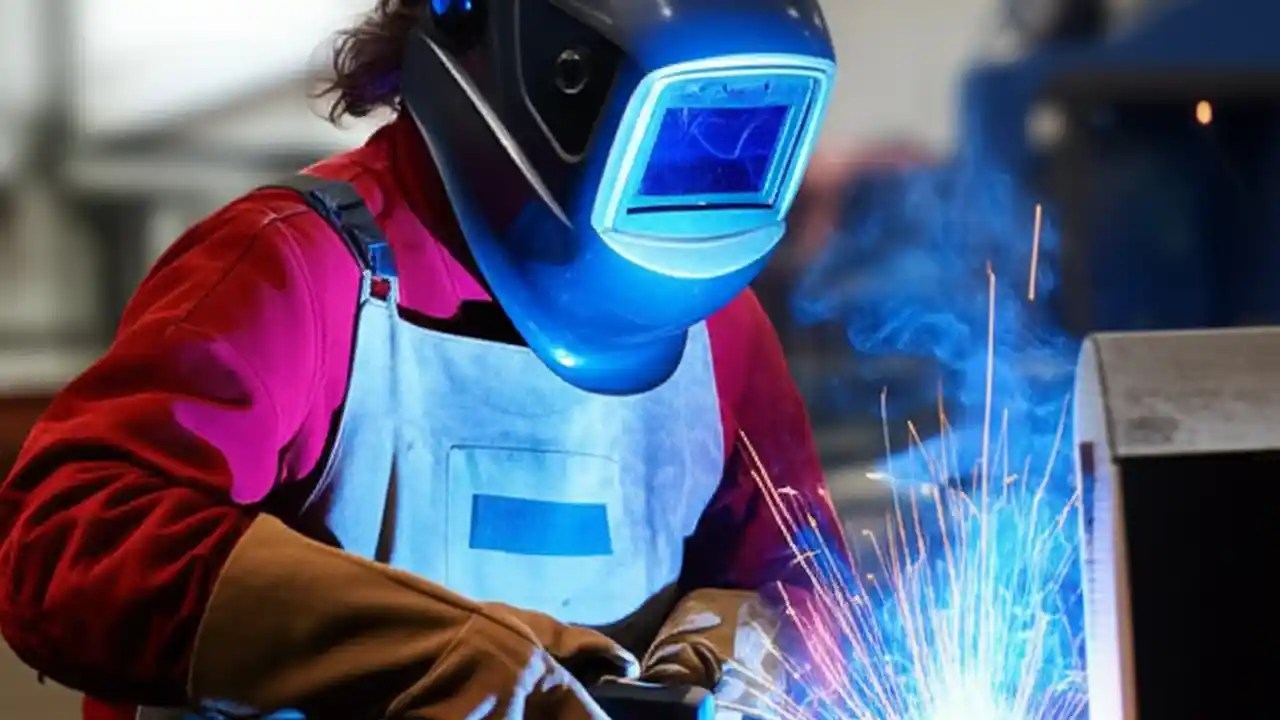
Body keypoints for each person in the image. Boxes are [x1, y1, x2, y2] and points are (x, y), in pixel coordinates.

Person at [0, 1, 847, 718]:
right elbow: (60, 542)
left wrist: (740, 661)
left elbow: (814, 592)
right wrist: (426, 654)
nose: (703, 177)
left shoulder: (719, 330)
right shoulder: (299, 271)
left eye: (739, 140)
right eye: (687, 131)